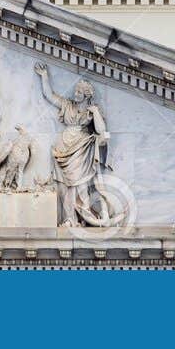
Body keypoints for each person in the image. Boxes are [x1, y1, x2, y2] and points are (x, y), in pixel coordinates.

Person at [34, 63, 123, 227]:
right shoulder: (68, 105)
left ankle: (83, 216)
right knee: (64, 187)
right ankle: (69, 218)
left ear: (87, 95)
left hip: (81, 150)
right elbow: (49, 95)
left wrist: (95, 111)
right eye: (76, 91)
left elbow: (101, 130)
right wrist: (44, 75)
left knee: (79, 186)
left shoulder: (91, 111)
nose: (75, 94)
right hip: (62, 149)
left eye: (79, 92)